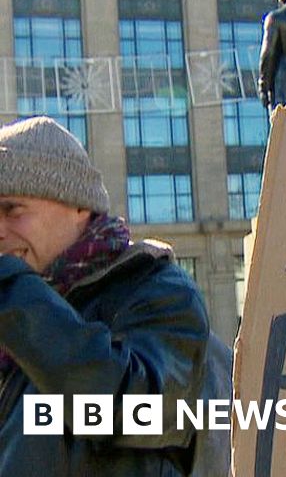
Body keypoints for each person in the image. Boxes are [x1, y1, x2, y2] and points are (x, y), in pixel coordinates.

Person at [0, 117, 230, 476]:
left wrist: (9, 290)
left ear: (77, 204)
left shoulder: (154, 287)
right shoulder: (19, 308)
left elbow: (138, 409)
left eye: (11, 209)